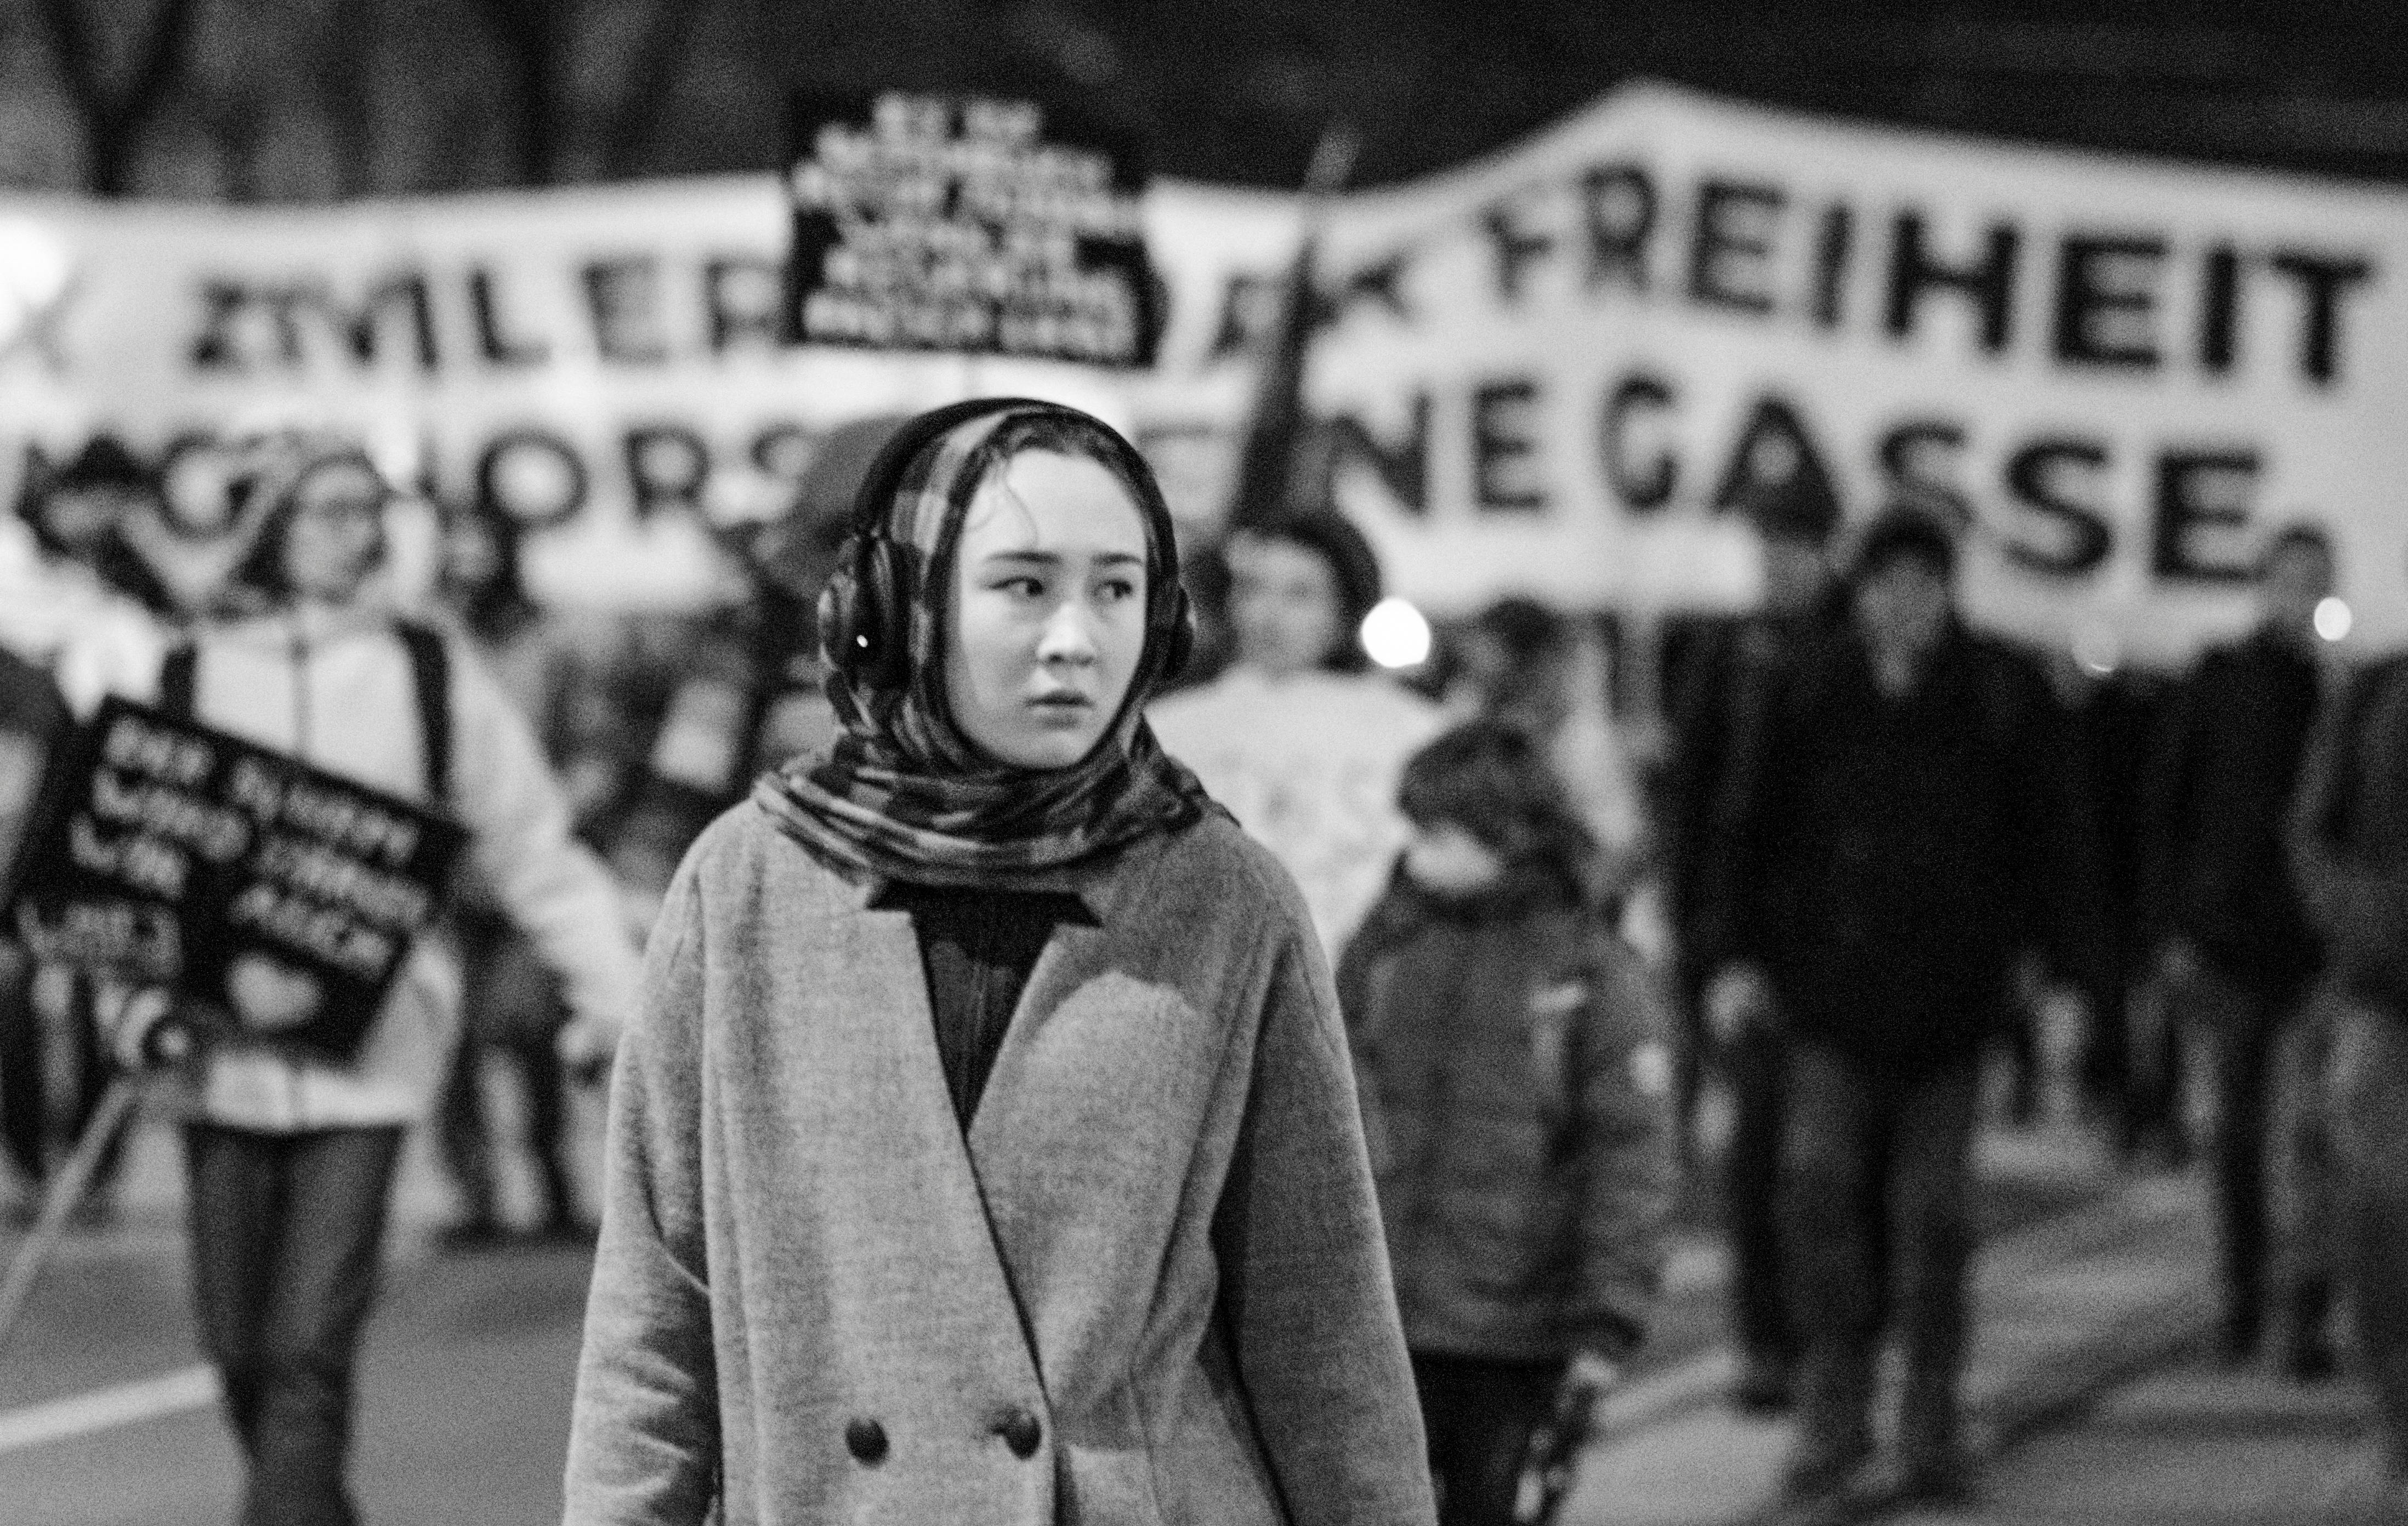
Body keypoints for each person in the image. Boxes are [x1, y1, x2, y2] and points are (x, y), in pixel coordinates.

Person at [563, 398, 1434, 1525]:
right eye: (1024, 585)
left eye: (1117, 589)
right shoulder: (748, 890)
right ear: (897, 608)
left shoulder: (1224, 896)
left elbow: (1323, 1332)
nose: (1077, 637)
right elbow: (654, 1314)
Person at [137, 434, 639, 1526]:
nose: (356, 531)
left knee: (308, 1347)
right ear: (269, 525)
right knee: (239, 1347)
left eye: (369, 508)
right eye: (327, 508)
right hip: (218, 1060)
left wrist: (620, 999)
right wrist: (134, 1006)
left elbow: (533, 849)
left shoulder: (426, 667)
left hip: (372, 1061)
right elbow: (132, 861)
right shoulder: (183, 669)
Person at [1694, 505, 2098, 1505]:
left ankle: (1929, 1416)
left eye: (1920, 582)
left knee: (1934, 1221)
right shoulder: (1806, 687)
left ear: (1946, 589)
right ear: (1860, 589)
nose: (1901, 603)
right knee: (1819, 1195)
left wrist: (2061, 973)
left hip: (1951, 1008)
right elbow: (1746, 828)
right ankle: (1833, 1410)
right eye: (1883, 582)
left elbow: (2056, 839)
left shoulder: (2001, 690)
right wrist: (1734, 955)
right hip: (1827, 1001)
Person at [1341, 719, 1674, 1526]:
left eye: (1440, 831)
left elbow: (1629, 1157)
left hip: (1518, 1334)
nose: (1418, 851)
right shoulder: (1386, 945)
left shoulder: (1586, 968)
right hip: (1384, 1320)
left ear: (1508, 836)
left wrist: (1606, 1325)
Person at [2140, 523, 2339, 1372]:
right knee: (2238, 1144)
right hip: (2227, 947)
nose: (2300, 597)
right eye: (2289, 579)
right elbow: (2168, 806)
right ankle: (2244, 1304)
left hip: (2313, 955)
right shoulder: (2219, 680)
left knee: (2306, 1142)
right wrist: (2173, 928)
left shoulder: (2339, 693)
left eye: (2315, 582)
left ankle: (2299, 1316)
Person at [1660, 480, 1839, 1413]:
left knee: (1829, 1167)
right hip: (1745, 956)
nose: (1777, 567)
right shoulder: (1726, 654)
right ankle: (1769, 1339)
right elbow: (1696, 805)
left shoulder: (1847, 652)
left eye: (1794, 547)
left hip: (1836, 957)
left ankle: (1834, 1336)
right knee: (1759, 1156)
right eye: (1766, 547)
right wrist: (1703, 942)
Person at [431, 506, 637, 1248]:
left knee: (531, 1026)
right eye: (455, 547)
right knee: (450, 1034)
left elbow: (594, 748)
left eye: (480, 547)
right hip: (445, 871)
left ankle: (553, 1179)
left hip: (528, 858)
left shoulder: (554, 641)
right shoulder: (429, 643)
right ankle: (477, 1193)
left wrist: (552, 825)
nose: (467, 562)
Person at [1148, 507, 1442, 954]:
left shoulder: (1414, 731)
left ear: (1347, 608)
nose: (1268, 616)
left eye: (1300, 594)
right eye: (1253, 589)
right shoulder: (1171, 728)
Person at [2288, 617, 2408, 1510]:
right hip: (2384, 993)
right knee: (2380, 1210)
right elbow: (2312, 828)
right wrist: (2361, 919)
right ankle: (2400, 1411)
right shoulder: (2373, 691)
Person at [1443, 596, 1648, 910]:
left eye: (1497, 679)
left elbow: (1620, 850)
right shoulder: (1466, 721)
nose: (1476, 681)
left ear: (1535, 664)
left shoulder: (1583, 743)